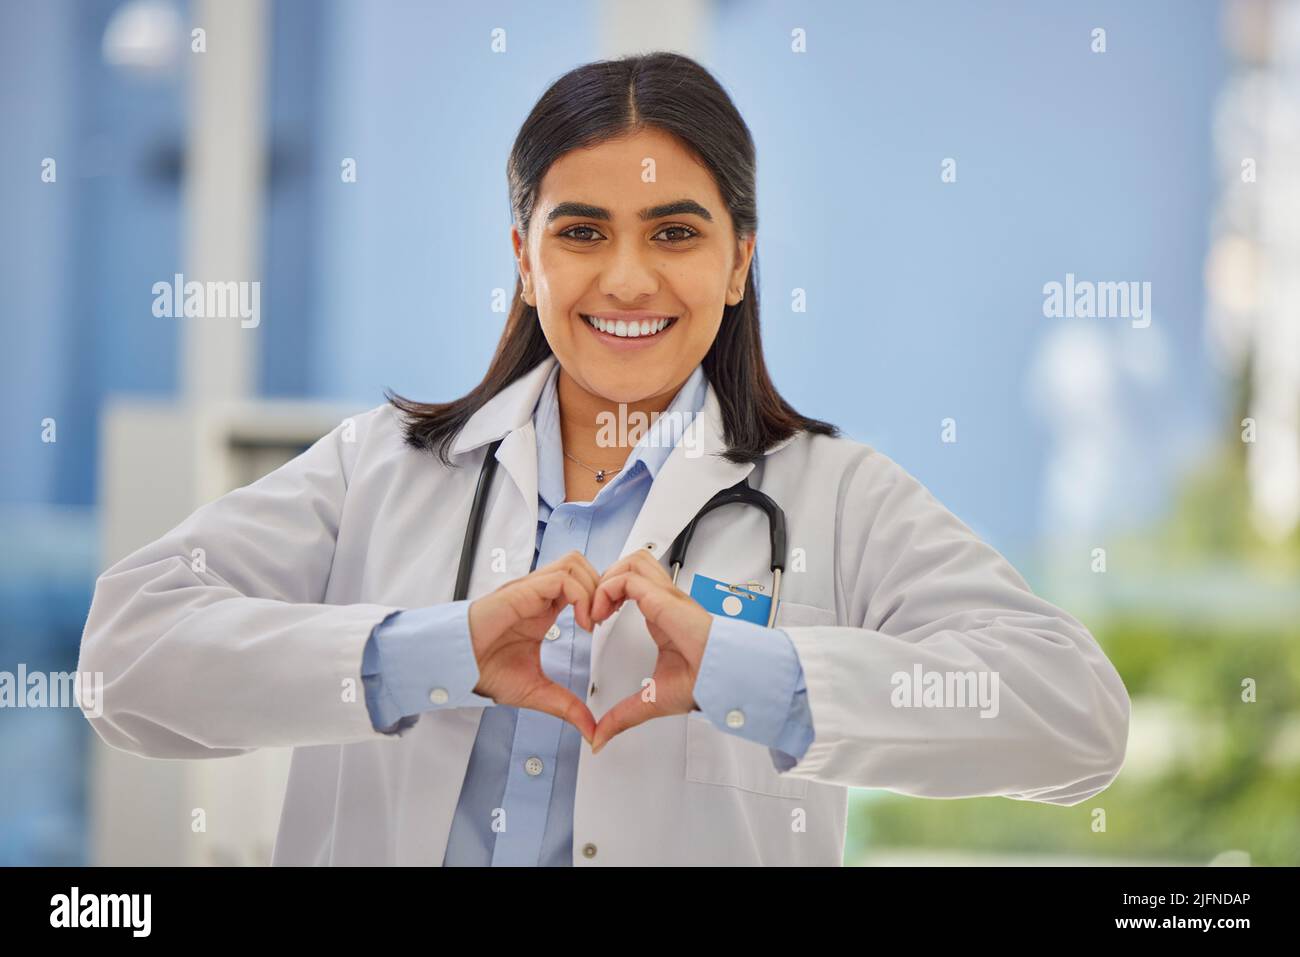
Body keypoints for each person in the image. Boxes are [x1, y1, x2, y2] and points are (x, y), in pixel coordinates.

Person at [78, 52, 1130, 866]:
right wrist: (431, 652)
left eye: (674, 234)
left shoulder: (835, 497)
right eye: (581, 232)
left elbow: (1074, 719)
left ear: (738, 263)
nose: (627, 280)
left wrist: (746, 674)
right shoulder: (383, 468)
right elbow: (126, 658)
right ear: (524, 261)